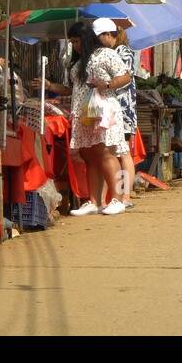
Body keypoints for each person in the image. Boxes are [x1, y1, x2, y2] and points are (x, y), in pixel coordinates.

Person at [63, 20, 131, 216]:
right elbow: (73, 87)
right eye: (72, 42)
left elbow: (126, 76)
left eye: (77, 41)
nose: (75, 45)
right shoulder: (77, 61)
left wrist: (107, 85)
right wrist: (51, 86)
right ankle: (94, 201)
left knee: (106, 153)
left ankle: (117, 198)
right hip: (84, 112)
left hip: (103, 111)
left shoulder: (106, 54)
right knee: (90, 156)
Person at [99, 25, 137, 209]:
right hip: (112, 108)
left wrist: (105, 84)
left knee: (123, 153)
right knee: (113, 152)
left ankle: (126, 195)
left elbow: (123, 78)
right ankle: (116, 195)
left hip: (123, 108)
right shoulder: (112, 51)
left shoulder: (124, 52)